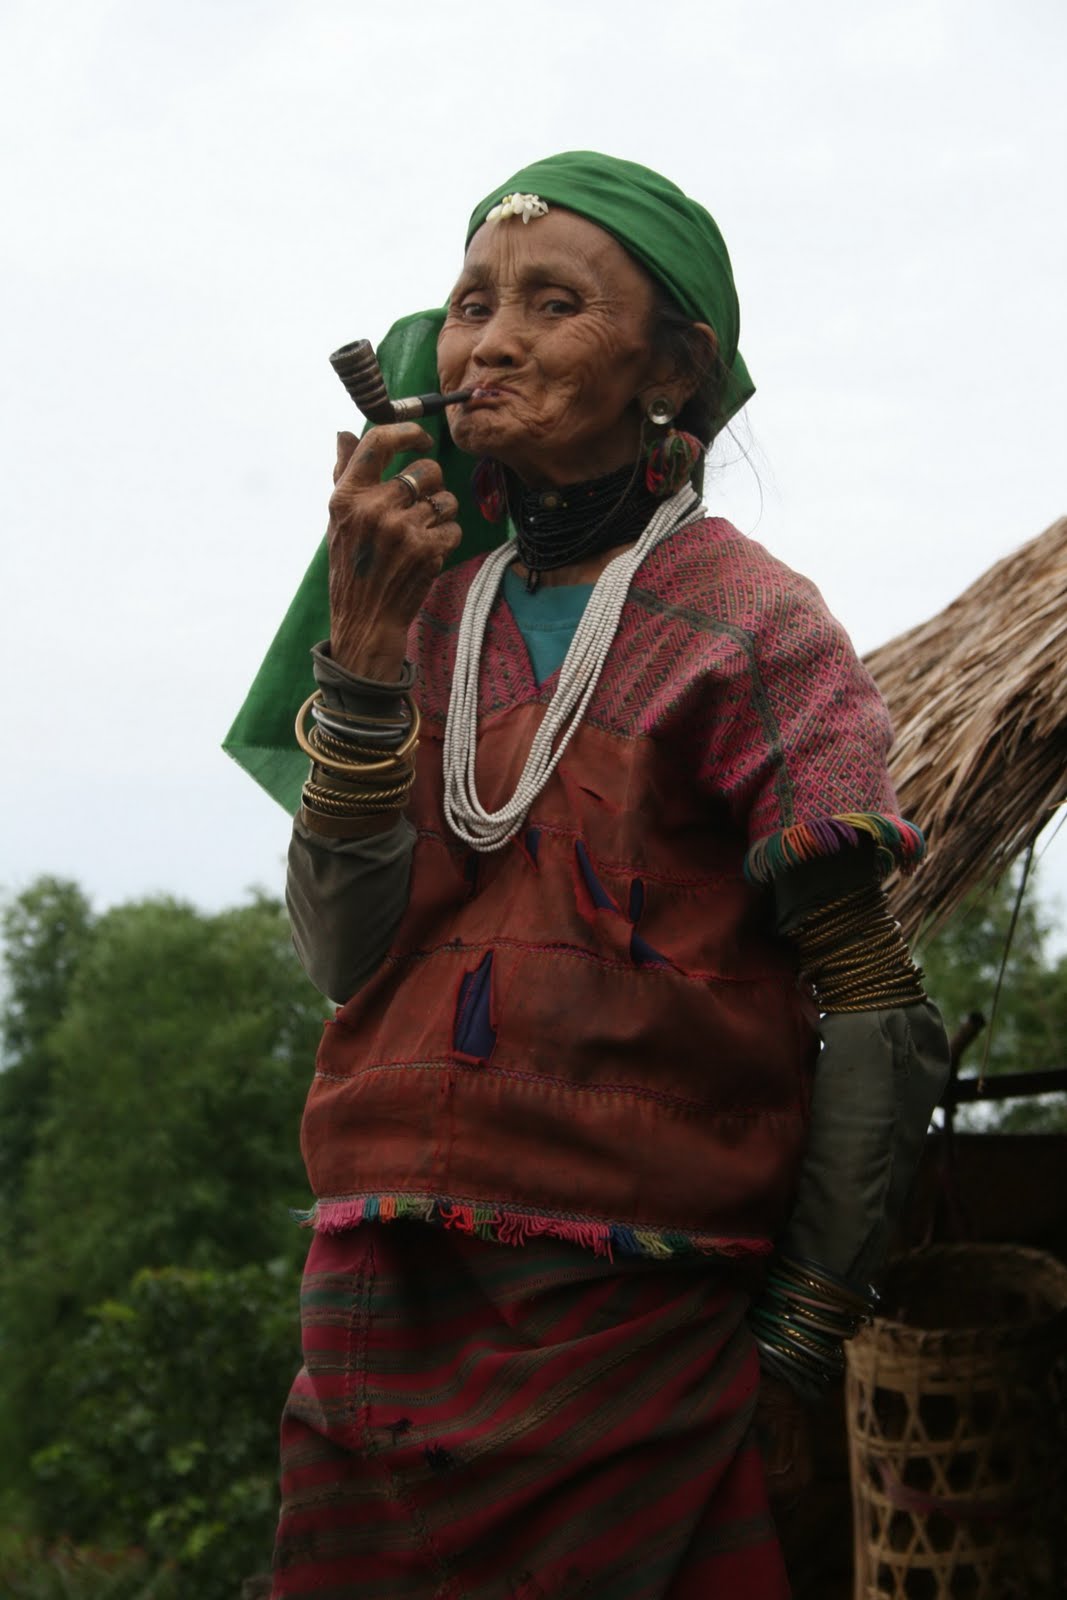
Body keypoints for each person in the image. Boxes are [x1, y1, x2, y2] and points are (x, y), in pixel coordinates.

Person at [228, 151, 950, 1598]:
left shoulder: (749, 629)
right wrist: (363, 643)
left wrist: (801, 1332)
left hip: (634, 1320)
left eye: (553, 306)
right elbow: (345, 955)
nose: (491, 343)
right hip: (380, 1309)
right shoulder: (426, 614)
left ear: (672, 369)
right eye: (473, 304)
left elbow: (871, 997)